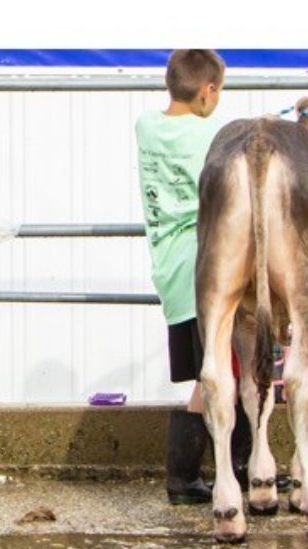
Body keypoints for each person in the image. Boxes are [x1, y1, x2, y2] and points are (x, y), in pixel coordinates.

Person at [135, 49, 252, 504]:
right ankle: (188, 476)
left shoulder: (147, 127)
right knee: (221, 373)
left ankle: (216, 471)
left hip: (171, 265)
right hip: (207, 268)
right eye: (217, 93)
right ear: (208, 91)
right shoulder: (210, 136)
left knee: (213, 373)